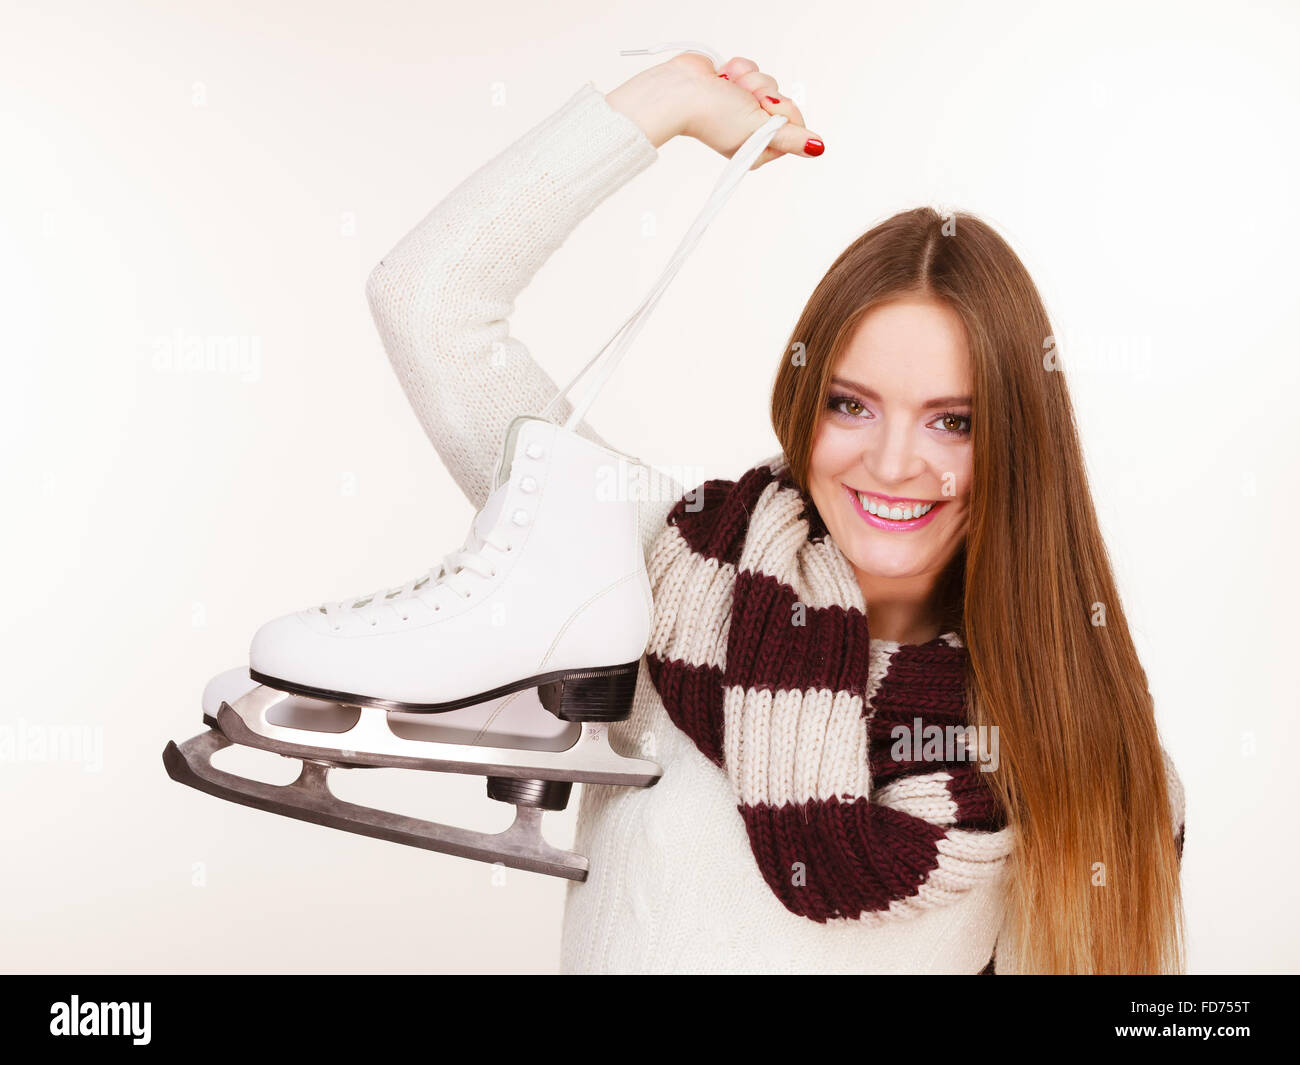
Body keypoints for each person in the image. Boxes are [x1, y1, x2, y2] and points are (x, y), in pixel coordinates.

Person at [364, 50, 1186, 974]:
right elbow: (427, 300)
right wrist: (663, 102)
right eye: (851, 404)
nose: (891, 463)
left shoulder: (1078, 739)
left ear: (1016, 445)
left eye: (952, 421)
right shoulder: (658, 573)